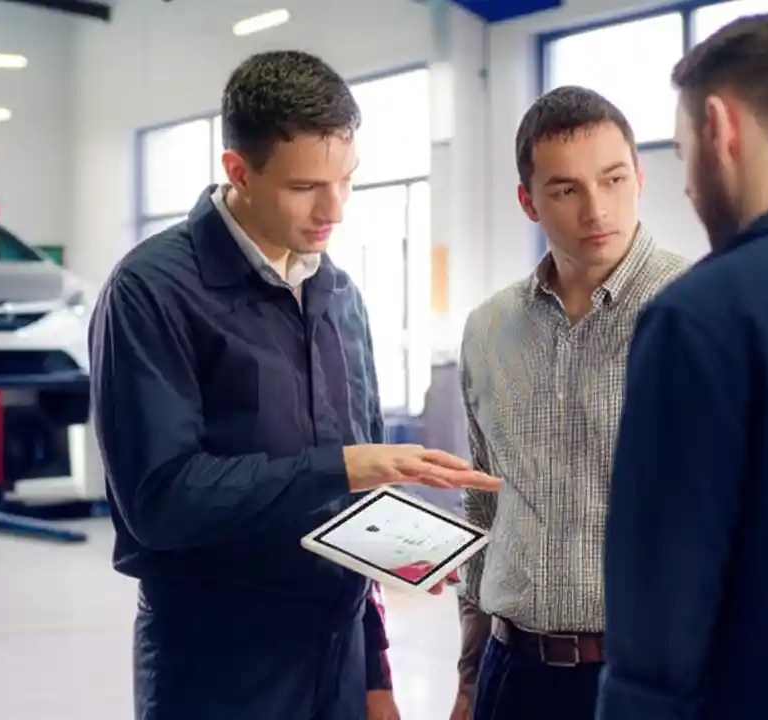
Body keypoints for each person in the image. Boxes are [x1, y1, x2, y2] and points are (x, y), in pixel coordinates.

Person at [88, 50, 501, 720]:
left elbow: (347, 503)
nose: (333, 209)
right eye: (306, 187)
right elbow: (159, 501)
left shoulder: (338, 294)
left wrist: (376, 673)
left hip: (335, 667)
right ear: (238, 172)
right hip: (216, 667)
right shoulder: (153, 290)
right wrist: (337, 466)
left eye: (346, 180)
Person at [597, 13, 768, 720]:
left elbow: (656, 646)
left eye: (684, 151)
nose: (688, 185)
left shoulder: (699, 319)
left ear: (721, 130)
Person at [449, 86, 689, 720]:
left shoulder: (699, 310)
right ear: (528, 202)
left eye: (613, 179)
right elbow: (481, 503)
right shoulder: (489, 328)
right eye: (565, 190)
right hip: (513, 673)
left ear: (639, 175)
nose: (596, 209)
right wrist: (470, 676)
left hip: (654, 676)